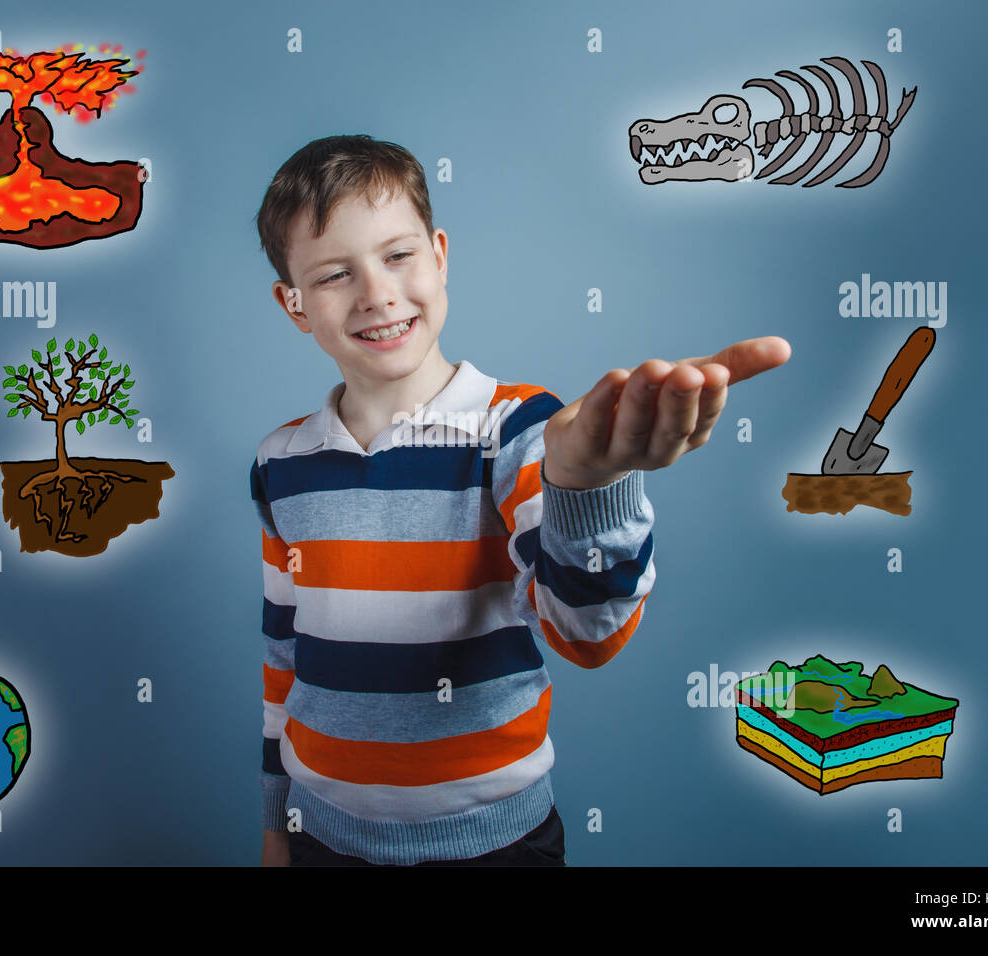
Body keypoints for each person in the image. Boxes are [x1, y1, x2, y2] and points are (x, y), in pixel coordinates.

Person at [251, 134, 790, 866]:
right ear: (292, 305)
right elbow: (283, 655)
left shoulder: (520, 430)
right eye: (335, 274)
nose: (376, 292)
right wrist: (277, 818)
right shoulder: (281, 462)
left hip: (496, 847)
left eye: (398, 255)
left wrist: (588, 486)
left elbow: (588, 634)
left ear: (440, 255)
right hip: (322, 838)